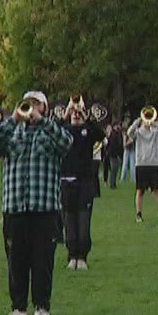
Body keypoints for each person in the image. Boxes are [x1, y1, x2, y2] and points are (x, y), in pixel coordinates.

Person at [0, 91, 71, 315]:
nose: (30, 108)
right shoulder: (13, 132)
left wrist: (42, 121)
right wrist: (13, 119)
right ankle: (18, 308)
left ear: (44, 107)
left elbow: (66, 143)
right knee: (16, 260)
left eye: (36, 104)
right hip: (15, 207)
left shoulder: (51, 130)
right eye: (27, 104)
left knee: (43, 260)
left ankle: (42, 307)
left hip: (44, 208)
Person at [59, 99, 102, 270]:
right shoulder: (64, 131)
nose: (76, 114)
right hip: (66, 181)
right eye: (74, 111)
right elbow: (52, 131)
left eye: (79, 111)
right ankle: (72, 255)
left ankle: (82, 255)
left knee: (83, 219)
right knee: (69, 220)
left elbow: (100, 135)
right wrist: (66, 114)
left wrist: (86, 116)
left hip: (85, 181)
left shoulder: (88, 131)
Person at [126, 109, 158, 222]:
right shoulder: (138, 132)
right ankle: (139, 214)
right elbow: (129, 132)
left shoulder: (155, 132)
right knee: (140, 191)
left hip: (154, 164)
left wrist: (154, 123)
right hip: (141, 164)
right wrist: (138, 120)